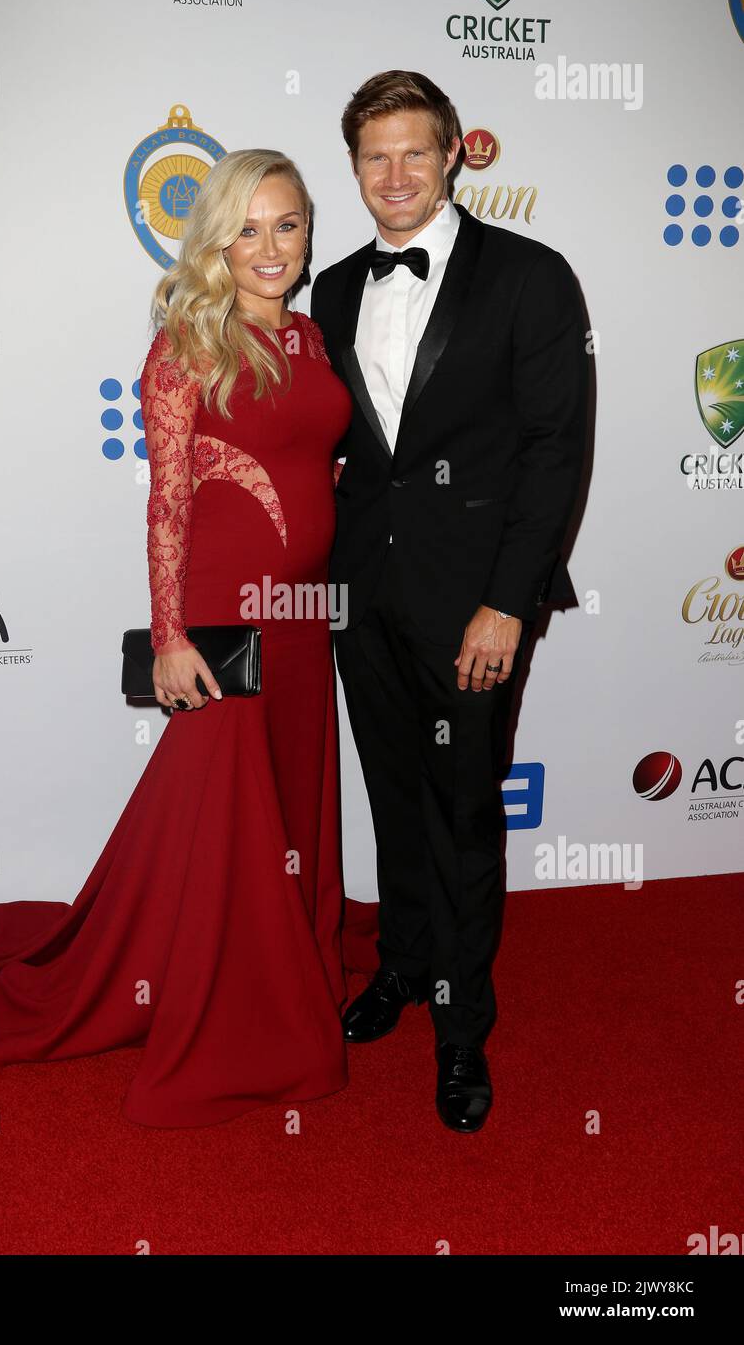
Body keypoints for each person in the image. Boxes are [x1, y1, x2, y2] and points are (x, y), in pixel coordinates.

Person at [0, 149, 353, 1129]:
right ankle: (227, 1003)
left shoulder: (313, 337)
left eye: (286, 224)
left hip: (301, 615)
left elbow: (306, 465)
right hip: (224, 616)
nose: (269, 247)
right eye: (246, 228)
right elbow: (167, 500)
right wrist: (170, 637)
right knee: (224, 806)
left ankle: (270, 955)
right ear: (215, 239)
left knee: (282, 810)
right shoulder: (188, 343)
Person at [310, 70, 588, 1134]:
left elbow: (554, 452)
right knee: (391, 795)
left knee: (465, 813)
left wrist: (506, 606)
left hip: (473, 603)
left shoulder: (530, 276)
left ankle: (462, 1027)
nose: (394, 175)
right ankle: (403, 968)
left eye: (414, 153)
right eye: (374, 156)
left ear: (457, 154)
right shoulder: (331, 288)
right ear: (354, 168)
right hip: (362, 596)